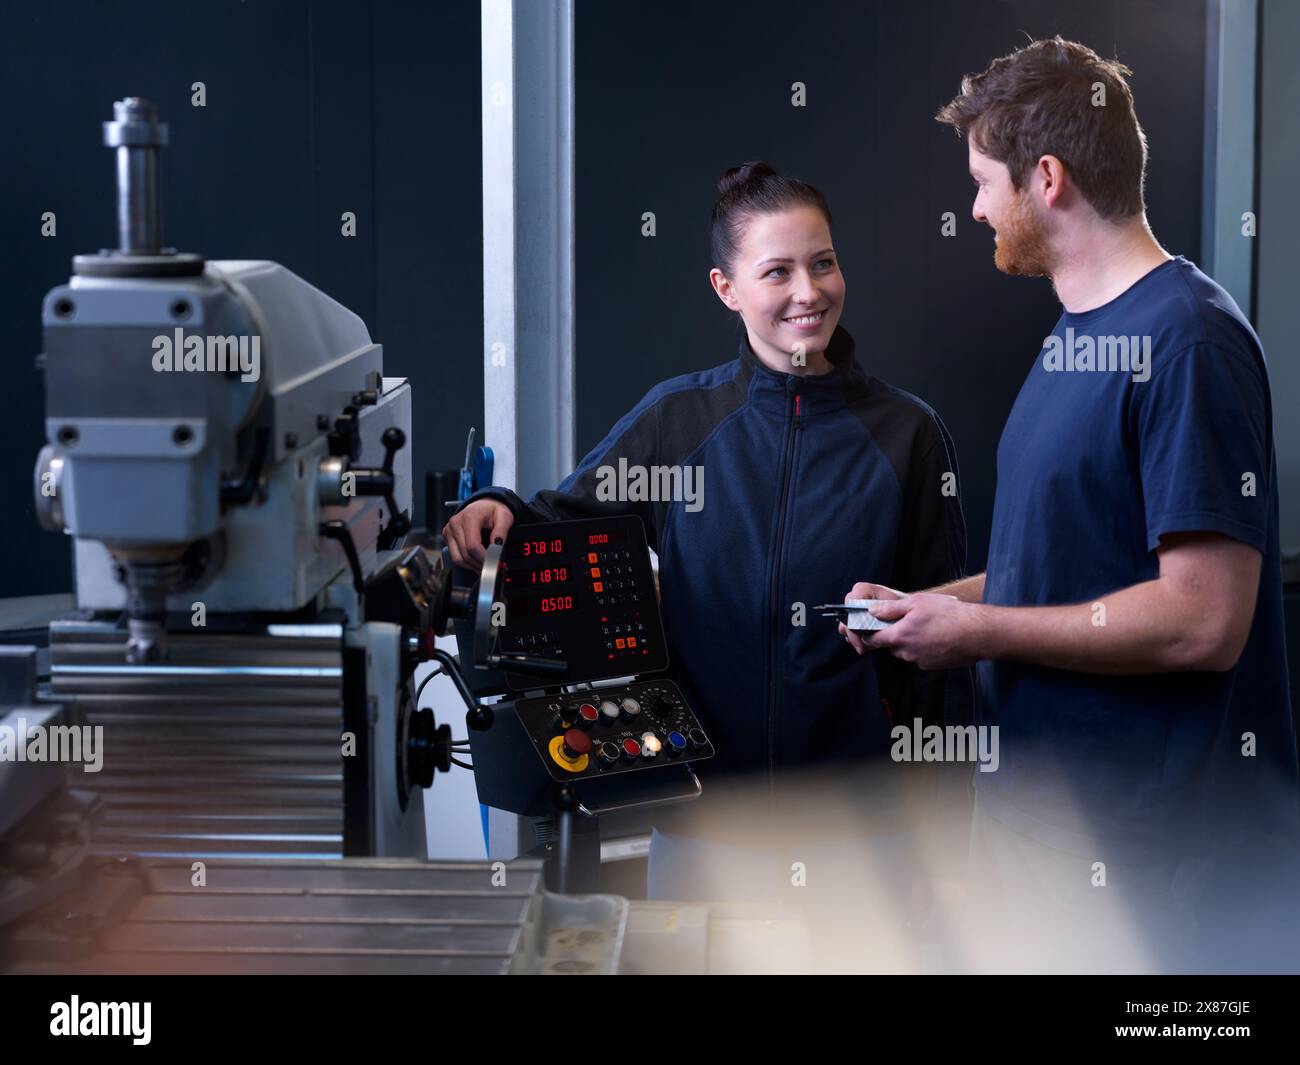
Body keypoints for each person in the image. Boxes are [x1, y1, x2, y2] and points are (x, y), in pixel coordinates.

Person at [844, 37, 1300, 970]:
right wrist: (934, 609)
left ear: (1045, 177)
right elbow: (1058, 566)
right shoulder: (1078, 336)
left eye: (982, 180)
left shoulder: (1188, 343)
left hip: (1161, 880)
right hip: (1051, 851)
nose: (974, 207)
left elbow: (1204, 620)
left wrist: (973, 635)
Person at [447, 162, 972, 911]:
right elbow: (559, 515)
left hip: (864, 834)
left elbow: (946, 663)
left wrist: (948, 848)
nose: (808, 291)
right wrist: (494, 508)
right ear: (727, 288)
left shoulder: (907, 434)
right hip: (707, 830)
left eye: (823, 263)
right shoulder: (678, 423)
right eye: (777, 271)